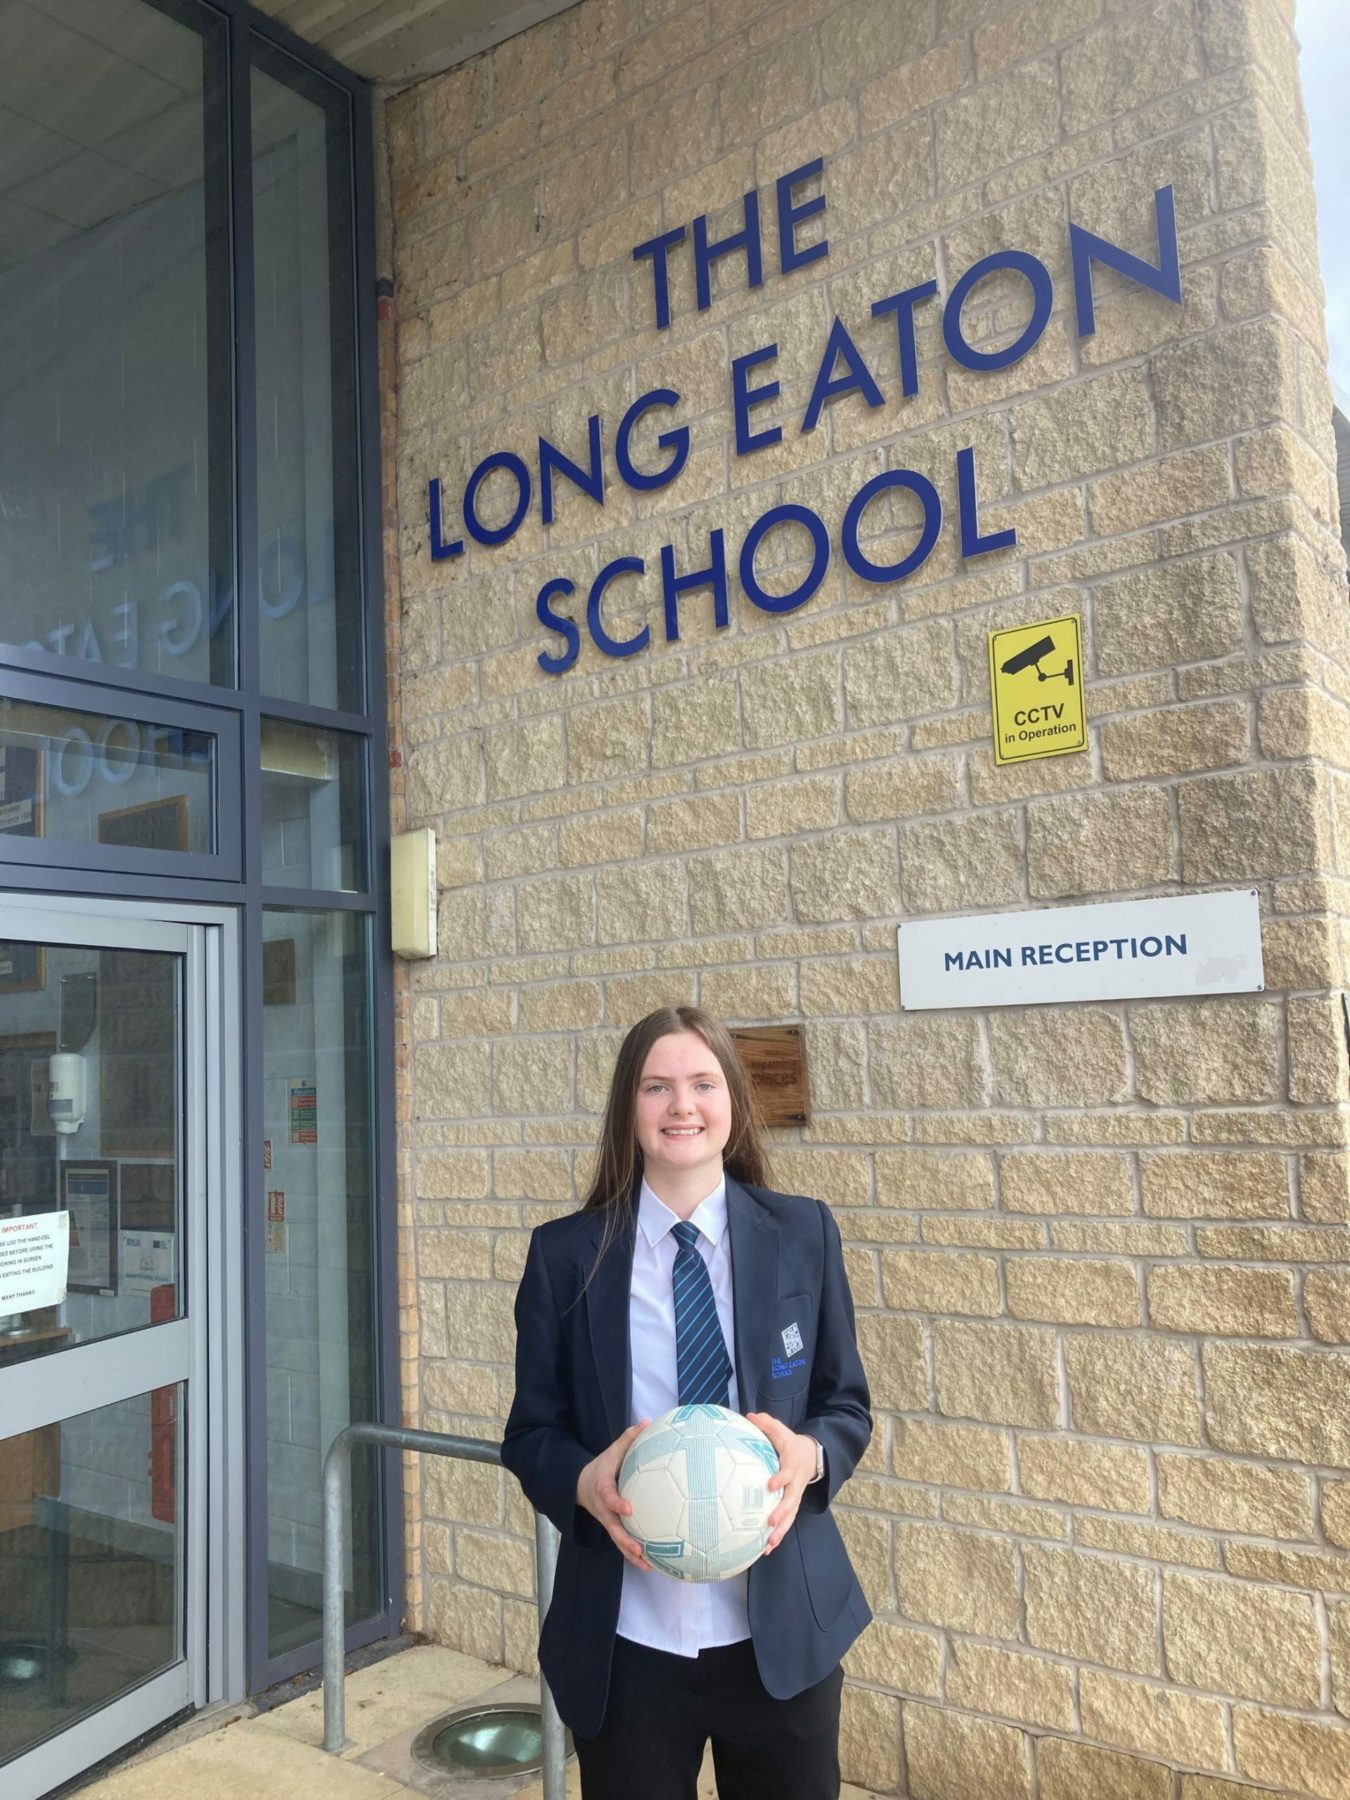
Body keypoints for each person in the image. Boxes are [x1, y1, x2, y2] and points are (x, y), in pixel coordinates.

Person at [501, 1005, 873, 1800]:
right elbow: (531, 1433)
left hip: (781, 1640)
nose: (682, 1106)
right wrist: (582, 1481)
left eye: (704, 1084)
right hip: (627, 1644)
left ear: (732, 1101)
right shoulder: (566, 1255)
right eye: (657, 1087)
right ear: (628, 1109)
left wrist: (811, 1456)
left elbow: (846, 1406)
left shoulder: (802, 1232)